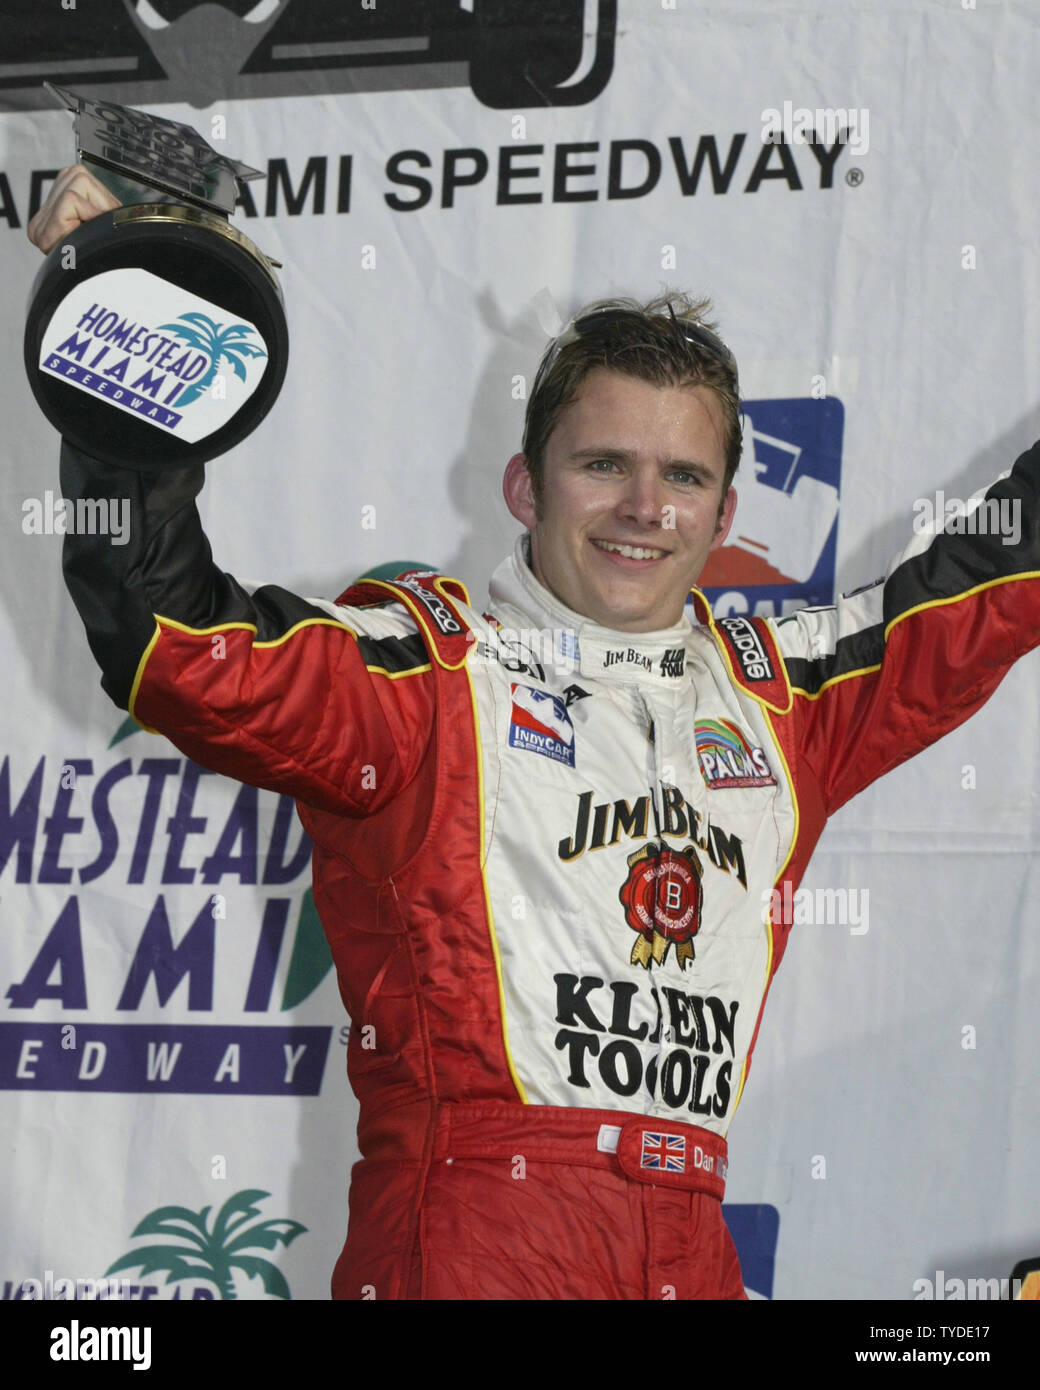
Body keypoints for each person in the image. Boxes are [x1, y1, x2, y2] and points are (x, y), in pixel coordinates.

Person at [28, 167, 1040, 1301]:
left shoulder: (788, 698)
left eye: (682, 476)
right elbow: (177, 641)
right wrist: (127, 311)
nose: (643, 508)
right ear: (524, 486)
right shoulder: (423, 669)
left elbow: (993, 583)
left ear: (723, 514)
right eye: (602, 464)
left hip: (693, 1243)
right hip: (478, 1227)